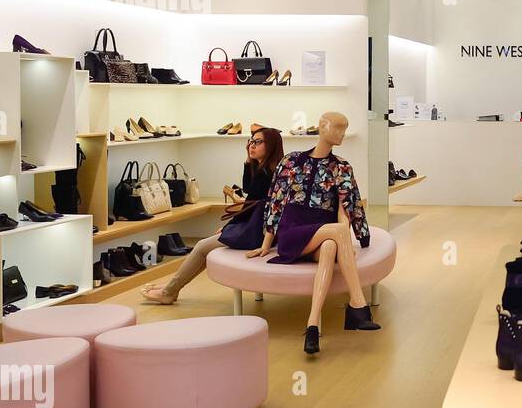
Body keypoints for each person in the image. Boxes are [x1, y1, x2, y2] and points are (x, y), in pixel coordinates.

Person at [248, 111, 379, 355]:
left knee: (331, 247)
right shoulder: (292, 161)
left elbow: (347, 208)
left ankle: (312, 326)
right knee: (336, 235)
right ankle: (358, 305)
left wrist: (352, 238)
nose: (341, 133)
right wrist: (267, 243)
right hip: (293, 230)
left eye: (344, 128)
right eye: (337, 127)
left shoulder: (341, 167)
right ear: (322, 127)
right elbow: (276, 203)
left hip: (323, 234)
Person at [141, 127, 285, 304]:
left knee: (202, 246)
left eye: (258, 142)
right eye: (250, 141)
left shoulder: (265, 174)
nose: (251, 146)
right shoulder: (271, 170)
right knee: (205, 248)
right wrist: (249, 162)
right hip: (262, 230)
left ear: (270, 145)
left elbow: (248, 207)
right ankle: (171, 287)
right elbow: (248, 190)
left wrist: (227, 228)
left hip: (255, 232)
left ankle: (170, 291)